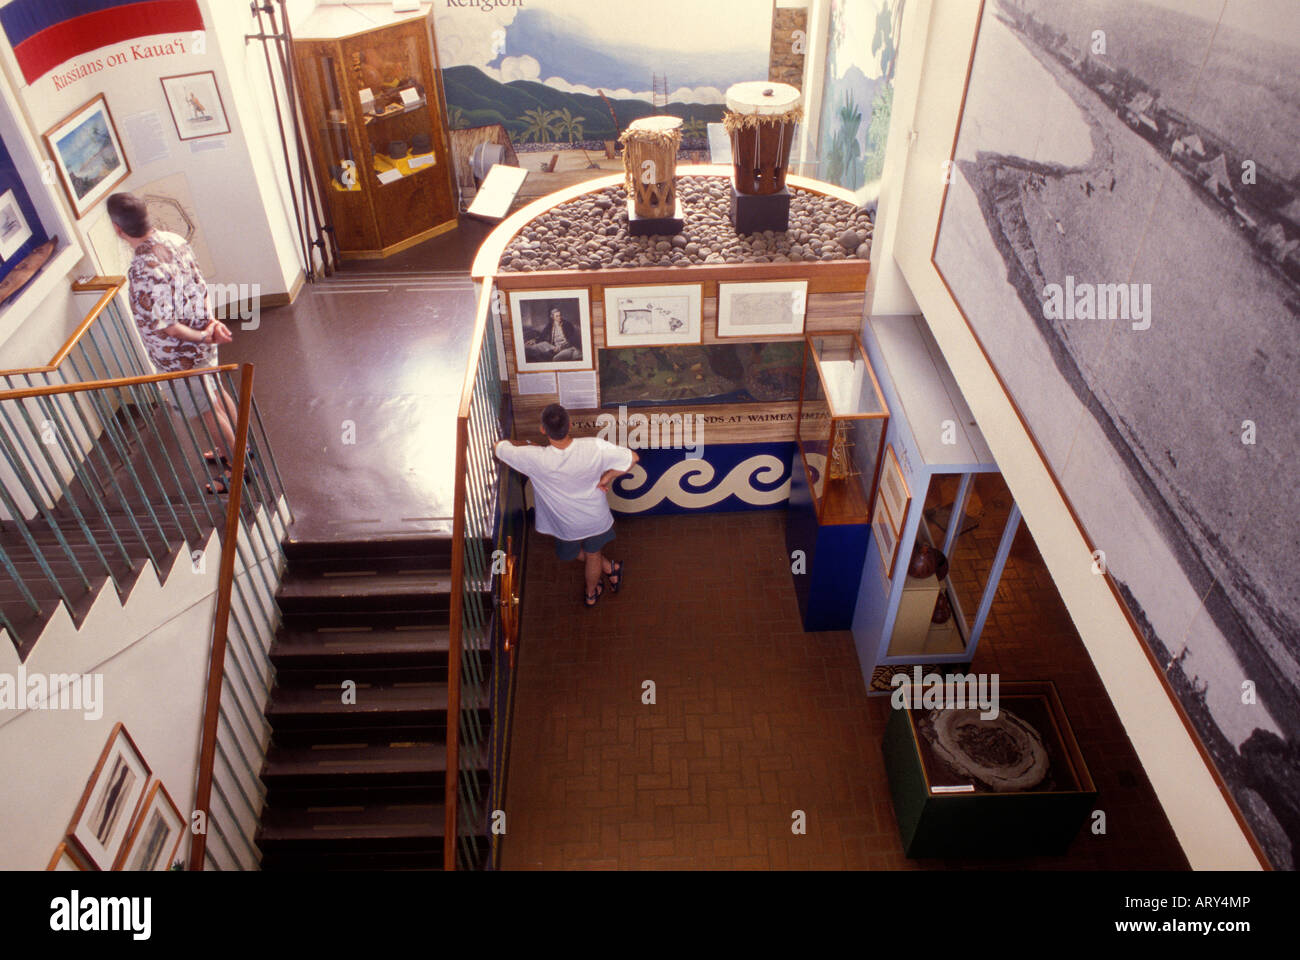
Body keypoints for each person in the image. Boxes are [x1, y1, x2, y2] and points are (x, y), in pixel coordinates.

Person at [107, 192, 238, 494]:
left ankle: (237, 467)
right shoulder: (175, 240)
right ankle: (236, 447)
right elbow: (201, 286)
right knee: (215, 394)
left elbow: (169, 327)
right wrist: (211, 325)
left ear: (118, 228)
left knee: (206, 410)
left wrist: (203, 334)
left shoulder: (142, 269)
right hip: (203, 342)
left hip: (179, 356)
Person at [494, 403, 638, 607]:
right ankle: (604, 575)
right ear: (570, 425)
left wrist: (527, 443)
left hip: (564, 523)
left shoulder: (534, 457)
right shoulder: (594, 446)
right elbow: (633, 458)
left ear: (543, 429)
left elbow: (499, 446)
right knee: (592, 554)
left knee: (575, 553)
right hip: (594, 517)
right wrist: (607, 477)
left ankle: (594, 590)